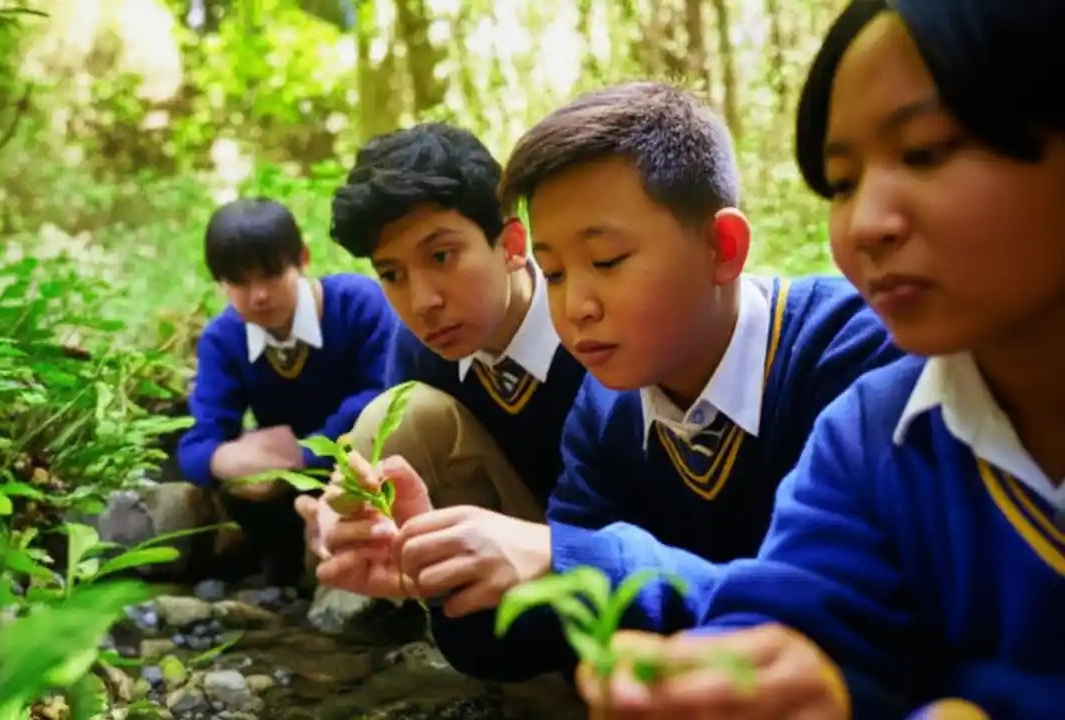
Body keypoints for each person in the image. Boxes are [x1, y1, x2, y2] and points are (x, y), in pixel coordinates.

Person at [310, 84, 902, 682]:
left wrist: (566, 561)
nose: (576, 307)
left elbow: (856, 620)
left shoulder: (852, 354)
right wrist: (446, 571)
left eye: (608, 260)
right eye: (557, 273)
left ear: (723, 248)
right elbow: (557, 639)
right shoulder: (607, 408)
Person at [574, 1, 1065, 717]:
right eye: (841, 184)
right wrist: (751, 674)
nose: (866, 223)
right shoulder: (874, 434)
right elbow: (803, 611)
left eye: (925, 151)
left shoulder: (832, 356)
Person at [294, 122, 589, 678]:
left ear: (512, 245)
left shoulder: (594, 323)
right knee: (396, 418)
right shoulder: (418, 351)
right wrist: (355, 516)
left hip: (630, 565)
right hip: (507, 595)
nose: (422, 300)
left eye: (442, 256)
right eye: (392, 274)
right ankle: (503, 656)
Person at [176, 197, 396, 587]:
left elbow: (384, 394)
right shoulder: (223, 339)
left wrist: (305, 452)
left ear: (302, 258)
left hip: (370, 468)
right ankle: (281, 573)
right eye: (239, 283)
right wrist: (228, 459)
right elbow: (197, 443)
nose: (258, 295)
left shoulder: (359, 304)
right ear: (220, 282)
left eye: (271, 274)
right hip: (281, 491)